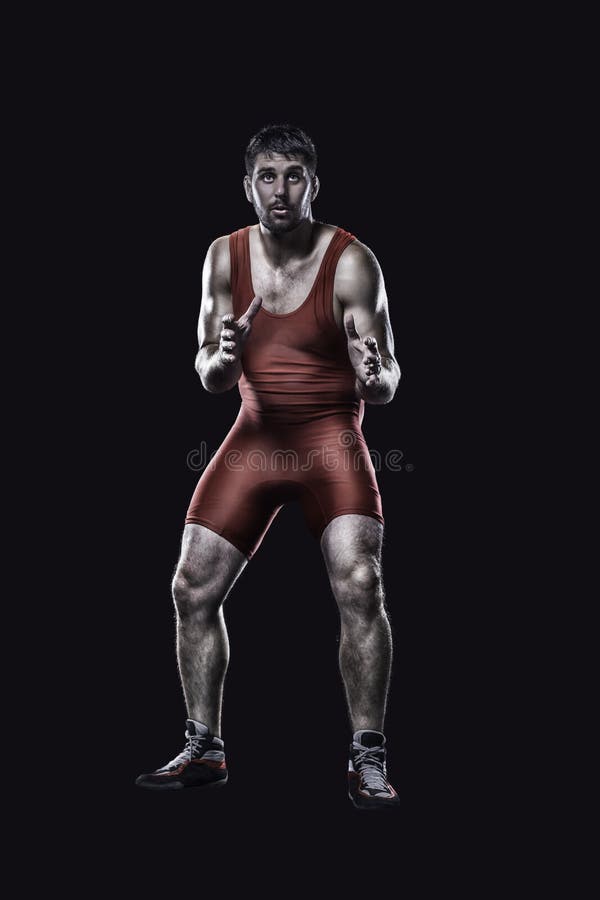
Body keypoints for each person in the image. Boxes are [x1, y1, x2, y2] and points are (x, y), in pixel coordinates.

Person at [135, 124, 401, 810]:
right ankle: (205, 746)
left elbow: (387, 377)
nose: (280, 190)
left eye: (293, 176)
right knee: (190, 585)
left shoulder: (351, 261)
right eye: (267, 176)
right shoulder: (223, 257)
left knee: (361, 582)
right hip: (256, 436)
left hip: (329, 437)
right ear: (248, 185)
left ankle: (366, 757)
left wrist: (373, 376)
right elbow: (210, 374)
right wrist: (222, 356)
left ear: (314, 184)